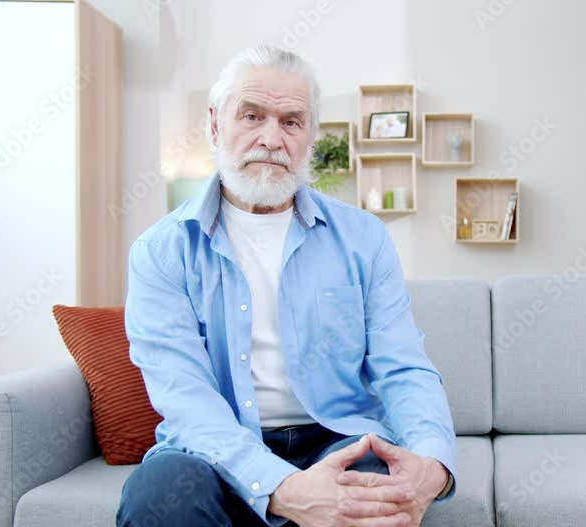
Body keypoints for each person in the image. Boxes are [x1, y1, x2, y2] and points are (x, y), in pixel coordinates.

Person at [116, 44, 456, 527]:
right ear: (215, 124)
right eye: (252, 116)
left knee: (374, 487)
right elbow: (185, 397)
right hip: (215, 446)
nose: (271, 138)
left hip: (336, 437)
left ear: (311, 135)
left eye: (291, 121)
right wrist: (279, 486)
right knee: (158, 494)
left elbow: (403, 367)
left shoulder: (363, 238)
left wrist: (433, 463)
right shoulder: (160, 251)